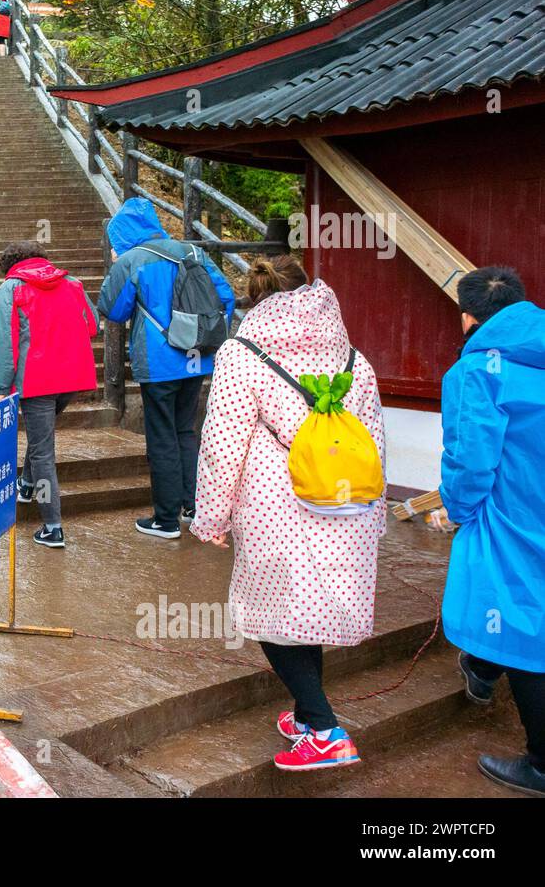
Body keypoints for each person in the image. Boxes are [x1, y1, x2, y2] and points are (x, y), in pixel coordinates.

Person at [191, 257, 386, 771]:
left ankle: (324, 730)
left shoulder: (242, 353)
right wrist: (377, 510)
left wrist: (211, 517)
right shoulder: (352, 357)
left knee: (272, 616)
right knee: (303, 614)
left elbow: (221, 444)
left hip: (277, 504)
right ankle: (306, 714)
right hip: (346, 504)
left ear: (257, 300)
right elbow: (374, 439)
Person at [437, 266, 545, 796]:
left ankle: (542, 763)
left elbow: (470, 460)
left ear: (468, 317)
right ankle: (481, 665)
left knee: (521, 618)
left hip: (512, 512)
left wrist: (458, 508)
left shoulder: (477, 370)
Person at [97, 197, 234, 539]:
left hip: (159, 362)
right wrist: (202, 336)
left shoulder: (132, 260)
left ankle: (166, 519)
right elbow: (226, 296)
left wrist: (118, 263)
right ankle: (194, 506)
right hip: (197, 359)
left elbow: (111, 309)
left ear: (123, 234)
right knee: (185, 431)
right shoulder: (192, 252)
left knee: (161, 438)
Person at [0, 241, 99, 548]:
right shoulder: (72, 283)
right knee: (41, 439)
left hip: (36, 381)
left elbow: (4, 341)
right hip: (72, 377)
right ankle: (25, 486)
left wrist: (1, 387)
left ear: (10, 267)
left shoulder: (11, 289)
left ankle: (52, 526)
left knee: (42, 452)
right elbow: (92, 325)